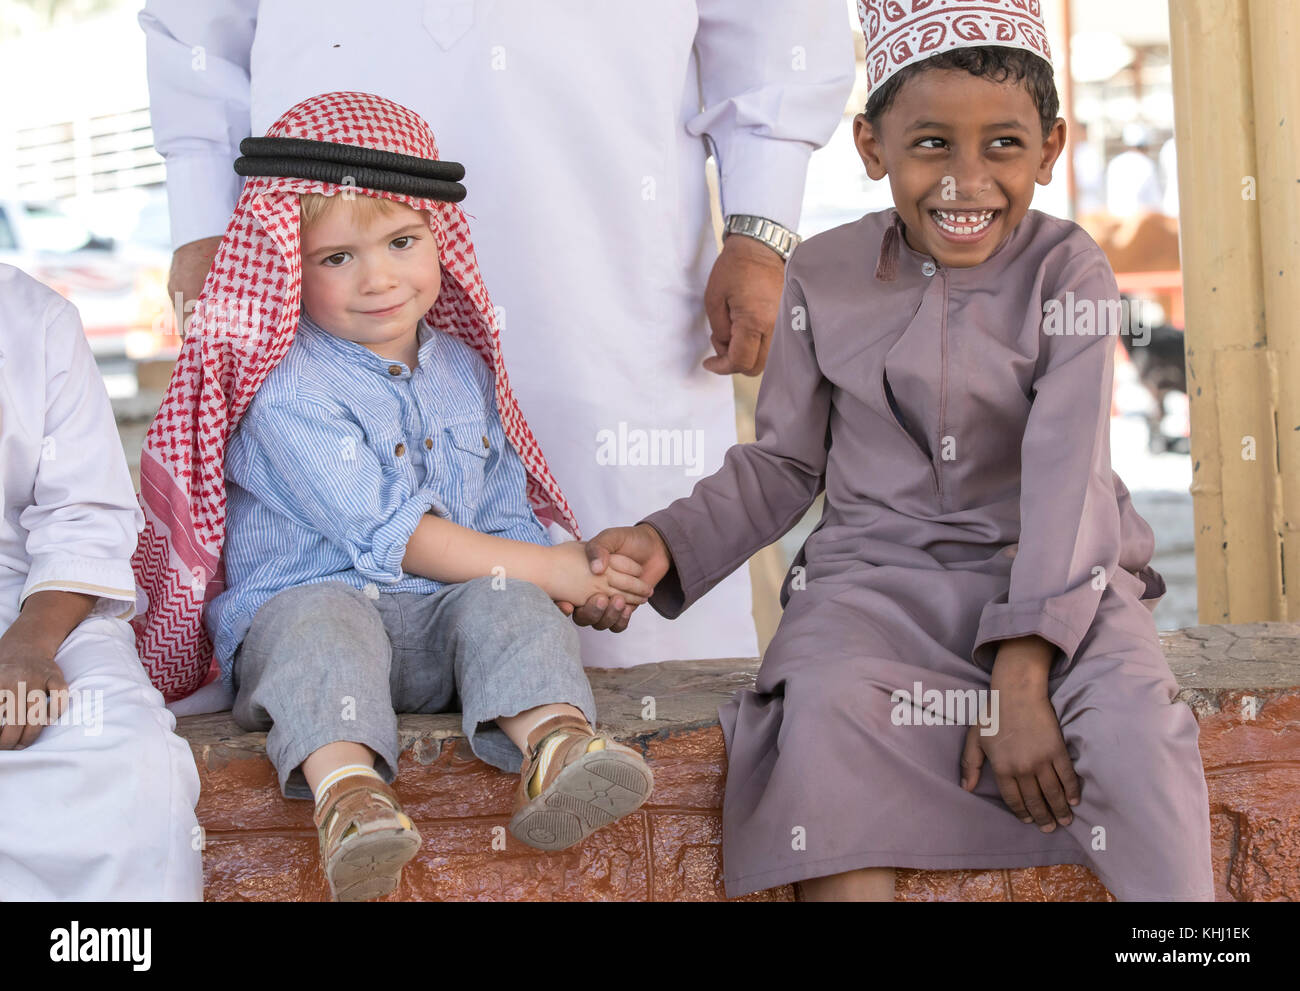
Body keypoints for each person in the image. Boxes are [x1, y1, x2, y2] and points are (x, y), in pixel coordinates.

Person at [582, 0, 1215, 902]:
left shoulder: (1067, 269)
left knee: (1132, 731)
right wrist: (667, 542)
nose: (967, 181)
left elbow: (1070, 477)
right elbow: (786, 466)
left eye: (1003, 145)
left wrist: (1024, 668)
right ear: (872, 145)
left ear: (1051, 148)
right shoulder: (821, 274)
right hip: (872, 587)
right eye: (930, 145)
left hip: (1059, 581)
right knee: (826, 712)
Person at [139, 0, 857, 672]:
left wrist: (761, 228)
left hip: (613, 259)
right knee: (320, 636)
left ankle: (570, 753)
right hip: (312, 235)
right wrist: (204, 218)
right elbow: (197, 27)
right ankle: (348, 785)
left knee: (644, 666)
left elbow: (774, 24)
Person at [138, 91, 657, 902]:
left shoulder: (465, 369)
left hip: (443, 624)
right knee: (323, 627)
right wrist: (561, 570)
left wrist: (561, 576)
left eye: (402, 241)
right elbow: (396, 533)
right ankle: (351, 797)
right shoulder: (283, 386)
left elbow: (500, 520)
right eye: (336, 258)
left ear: (438, 238)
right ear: (284, 263)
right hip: (314, 607)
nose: (378, 277)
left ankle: (555, 748)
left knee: (511, 604)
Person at [0, 263, 202, 900]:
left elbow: (81, 514)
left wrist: (29, 647)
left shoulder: (33, 320)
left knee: (126, 764)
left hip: (35, 599)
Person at [1106, 122, 1164, 217]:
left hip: (1115, 220)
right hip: (1140, 220)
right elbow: (1155, 200)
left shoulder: (1115, 163)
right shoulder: (1146, 164)